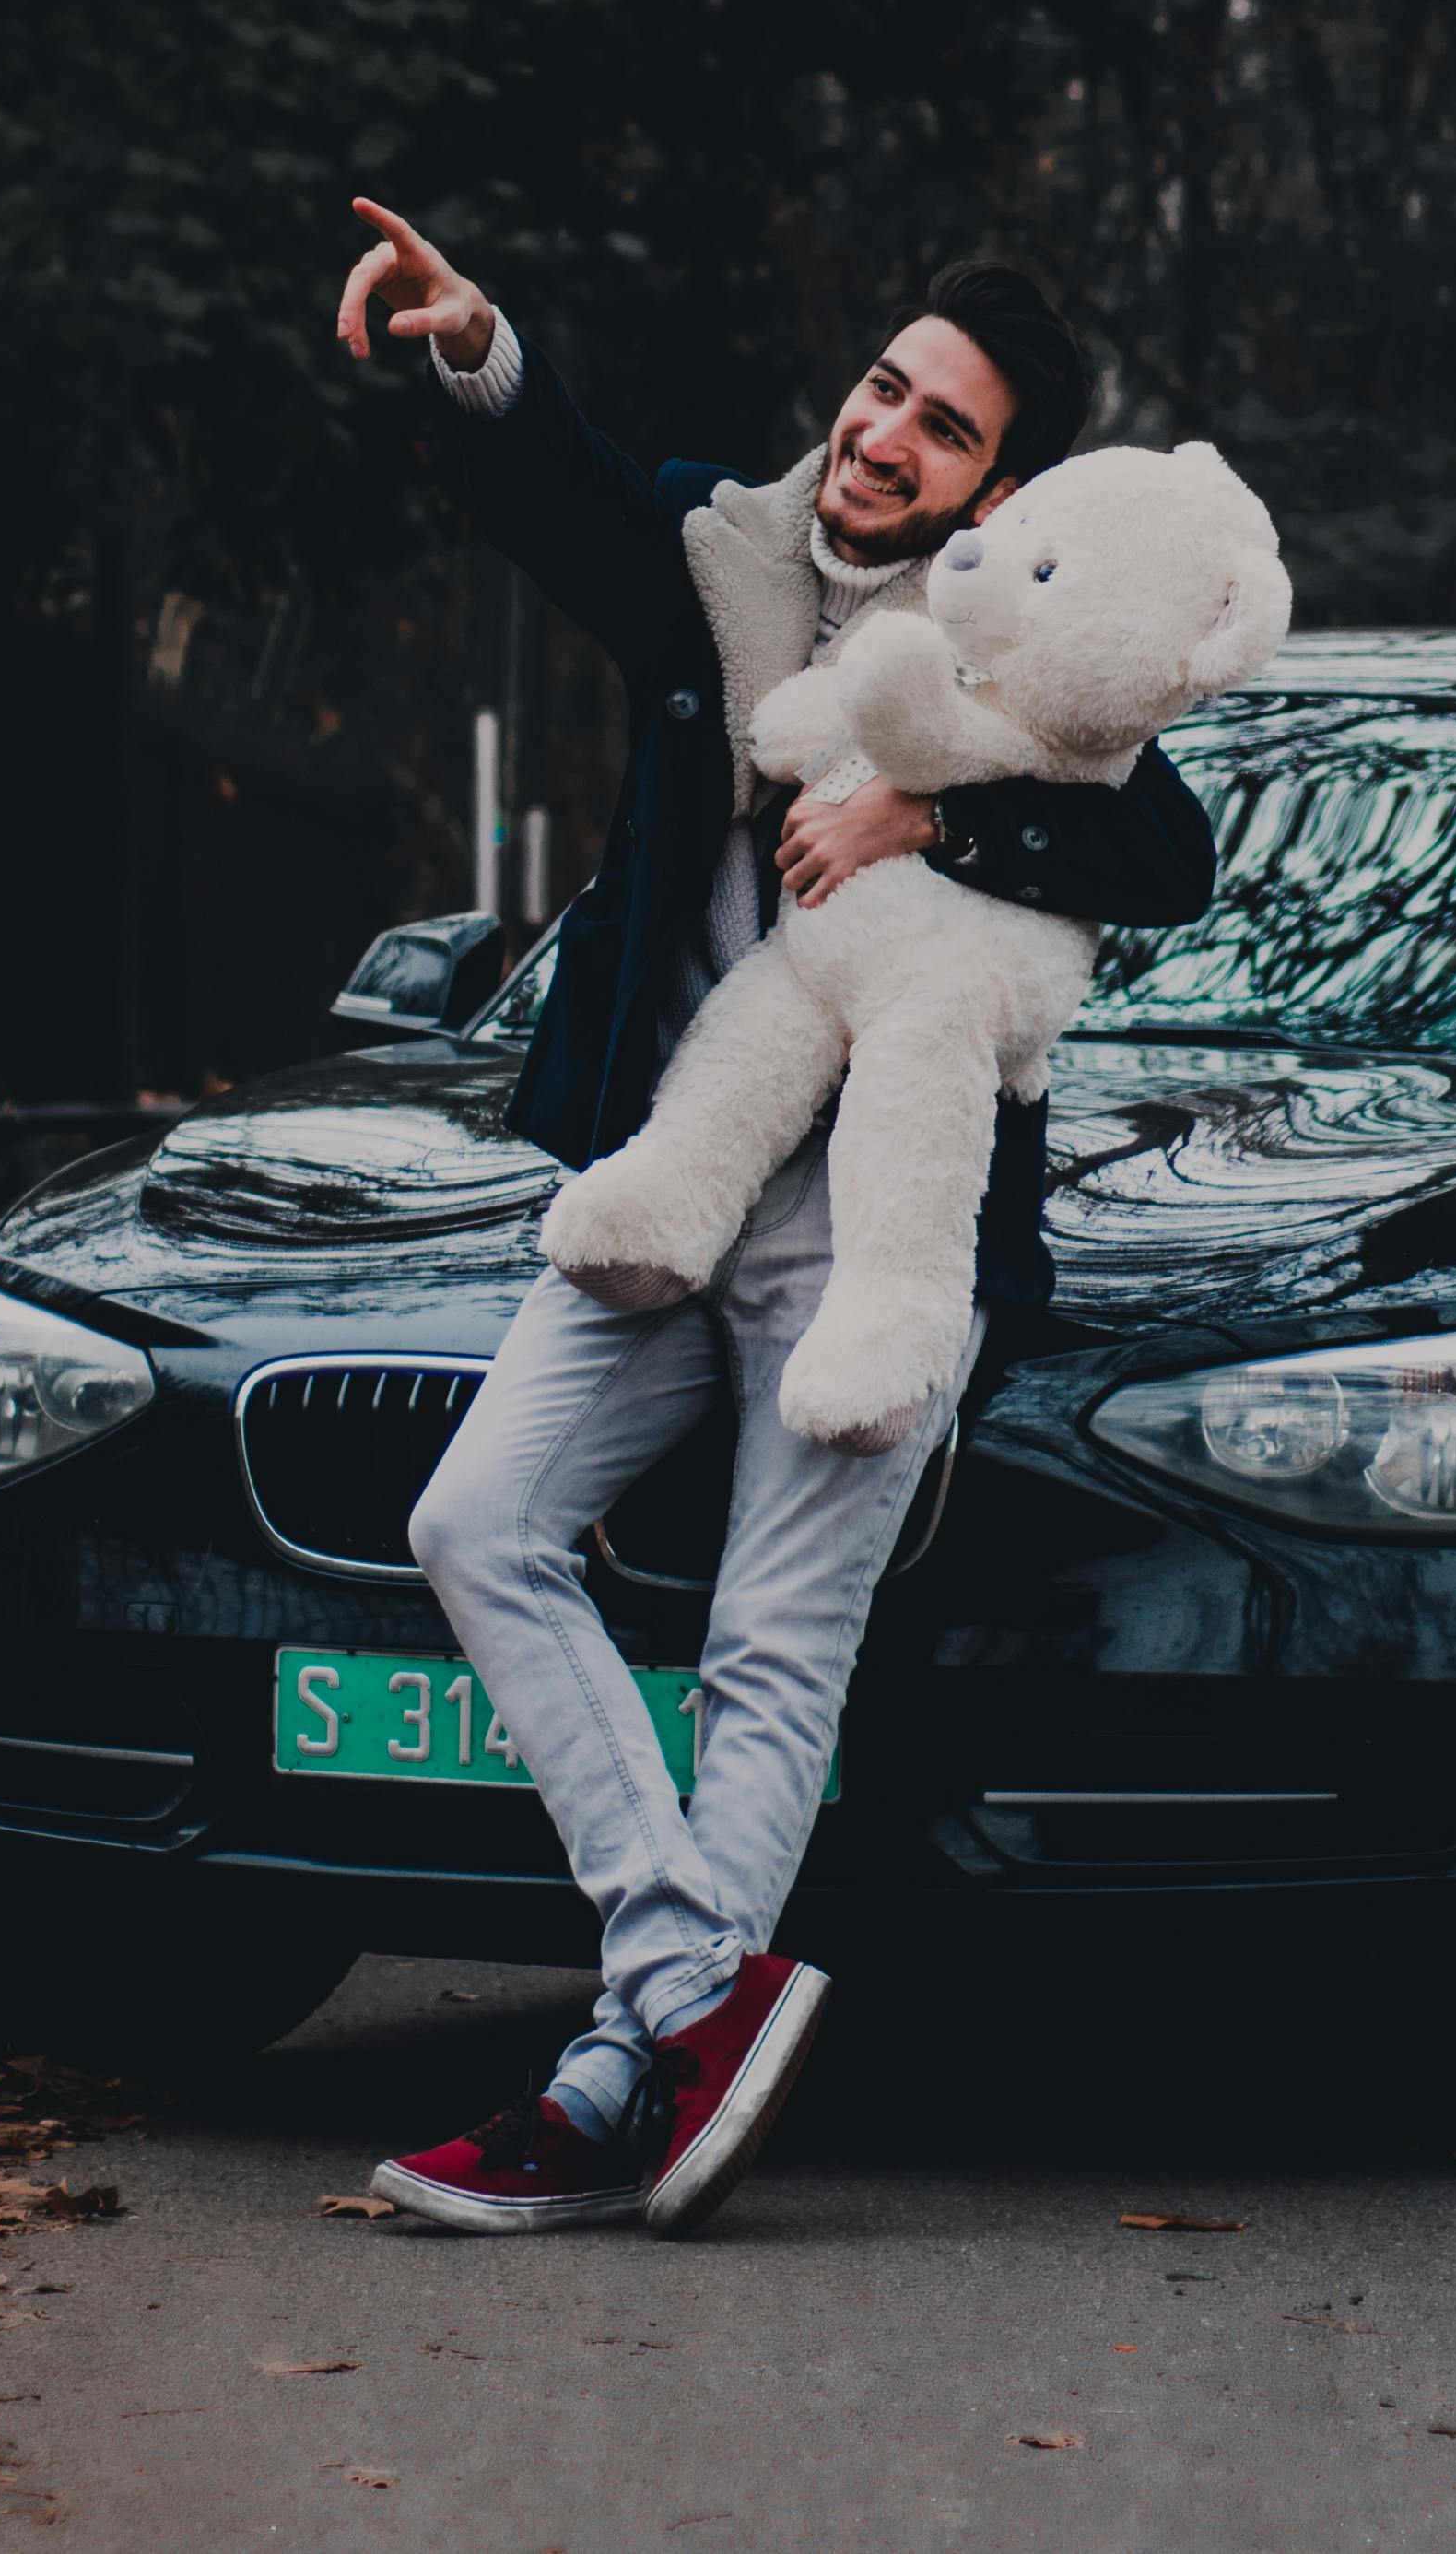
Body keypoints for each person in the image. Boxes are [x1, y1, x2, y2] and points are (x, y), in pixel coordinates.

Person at [335, 199, 1218, 2238]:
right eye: (887, 388)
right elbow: (554, 493)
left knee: (769, 1643)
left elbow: (1163, 848)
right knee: (476, 1520)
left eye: (945, 427)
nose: (888, 434)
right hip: (676, 1169)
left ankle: (603, 2088)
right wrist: (478, 340)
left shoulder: (1028, 648)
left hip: (877, 1217)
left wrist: (933, 810)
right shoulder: (720, 559)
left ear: (999, 485)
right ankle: (688, 1994)